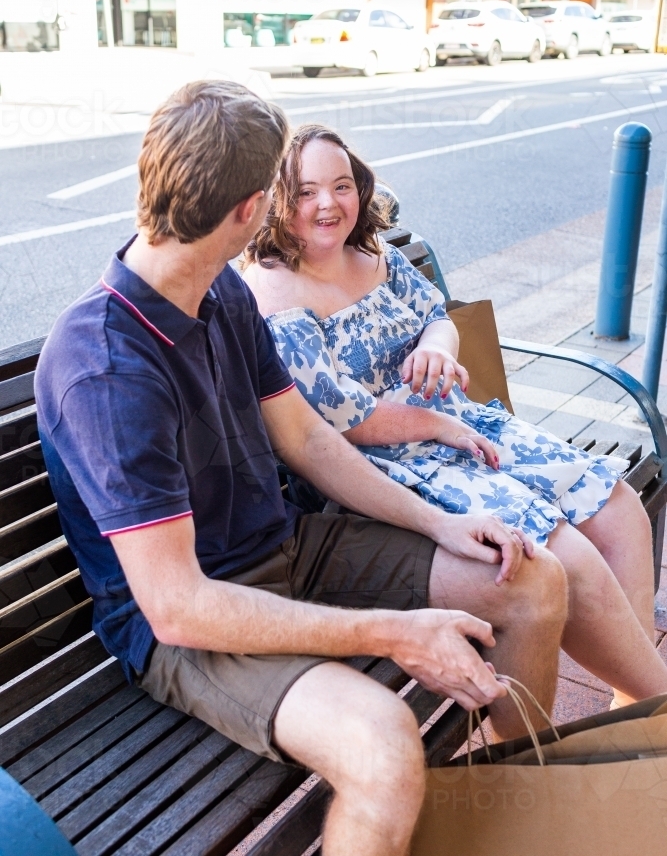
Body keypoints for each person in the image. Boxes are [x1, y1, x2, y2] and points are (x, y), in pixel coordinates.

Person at [35, 82, 568, 856]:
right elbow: (179, 607)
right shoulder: (107, 369)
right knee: (383, 744)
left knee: (527, 577)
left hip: (284, 549)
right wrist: (393, 633)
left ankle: (505, 825)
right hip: (189, 626)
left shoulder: (218, 288)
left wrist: (441, 523)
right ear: (252, 209)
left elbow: (309, 442)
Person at [243, 121, 667, 713]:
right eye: (307, 191)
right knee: (567, 556)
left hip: (459, 428)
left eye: (342, 186)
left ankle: (634, 704)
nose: (327, 205)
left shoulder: (369, 251)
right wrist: (441, 426)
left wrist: (438, 347)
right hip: (387, 465)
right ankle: (658, 711)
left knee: (620, 510)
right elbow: (344, 421)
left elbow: (434, 313)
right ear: (278, 203)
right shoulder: (275, 293)